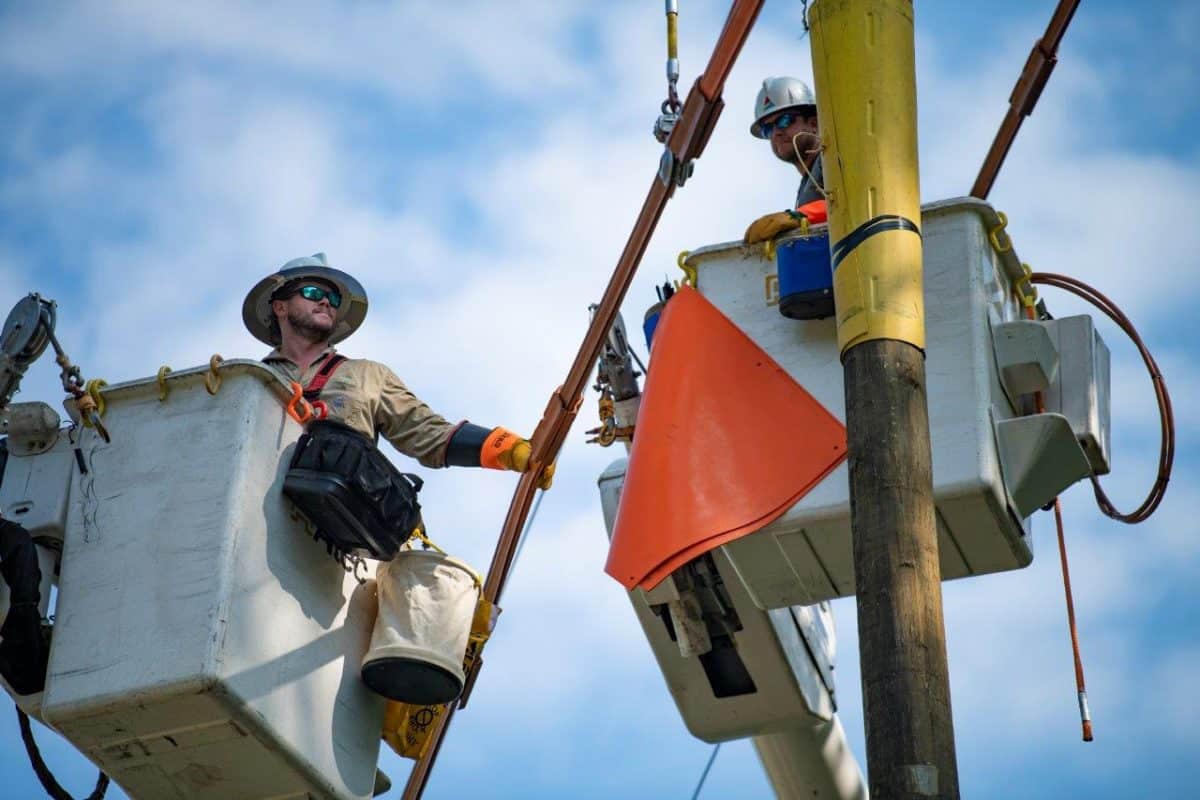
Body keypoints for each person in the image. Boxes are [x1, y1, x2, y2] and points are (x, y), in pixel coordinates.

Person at [242, 253, 552, 702]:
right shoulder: (249, 379)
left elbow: (429, 434)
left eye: (333, 298)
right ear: (280, 307)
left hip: (331, 525)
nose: (326, 302)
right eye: (313, 293)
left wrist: (513, 452)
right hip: (258, 516)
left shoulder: (366, 376)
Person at [743, 76, 828, 245]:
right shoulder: (806, 185)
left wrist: (799, 216)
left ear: (814, 123)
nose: (776, 133)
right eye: (768, 129)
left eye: (784, 120)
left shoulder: (831, 160)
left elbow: (850, 205)